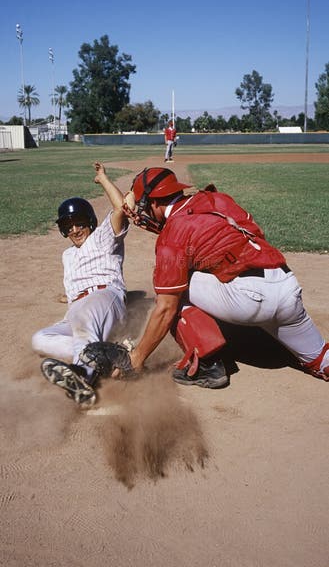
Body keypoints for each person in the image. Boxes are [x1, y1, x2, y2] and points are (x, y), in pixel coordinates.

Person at [114, 166, 329, 388]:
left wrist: (137, 358)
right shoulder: (214, 198)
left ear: (155, 203)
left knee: (172, 289)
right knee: (321, 360)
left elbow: (166, 308)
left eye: (145, 207)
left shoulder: (171, 237)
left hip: (250, 301)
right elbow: (235, 233)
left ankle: (208, 365)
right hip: (287, 288)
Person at [32, 162, 131, 407]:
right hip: (79, 309)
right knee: (41, 338)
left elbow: (123, 208)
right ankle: (109, 356)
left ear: (90, 221)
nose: (74, 229)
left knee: (85, 318)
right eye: (68, 225)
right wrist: (71, 297)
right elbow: (77, 290)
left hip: (106, 297)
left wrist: (103, 179)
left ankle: (83, 377)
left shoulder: (102, 237)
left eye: (79, 222)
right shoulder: (67, 256)